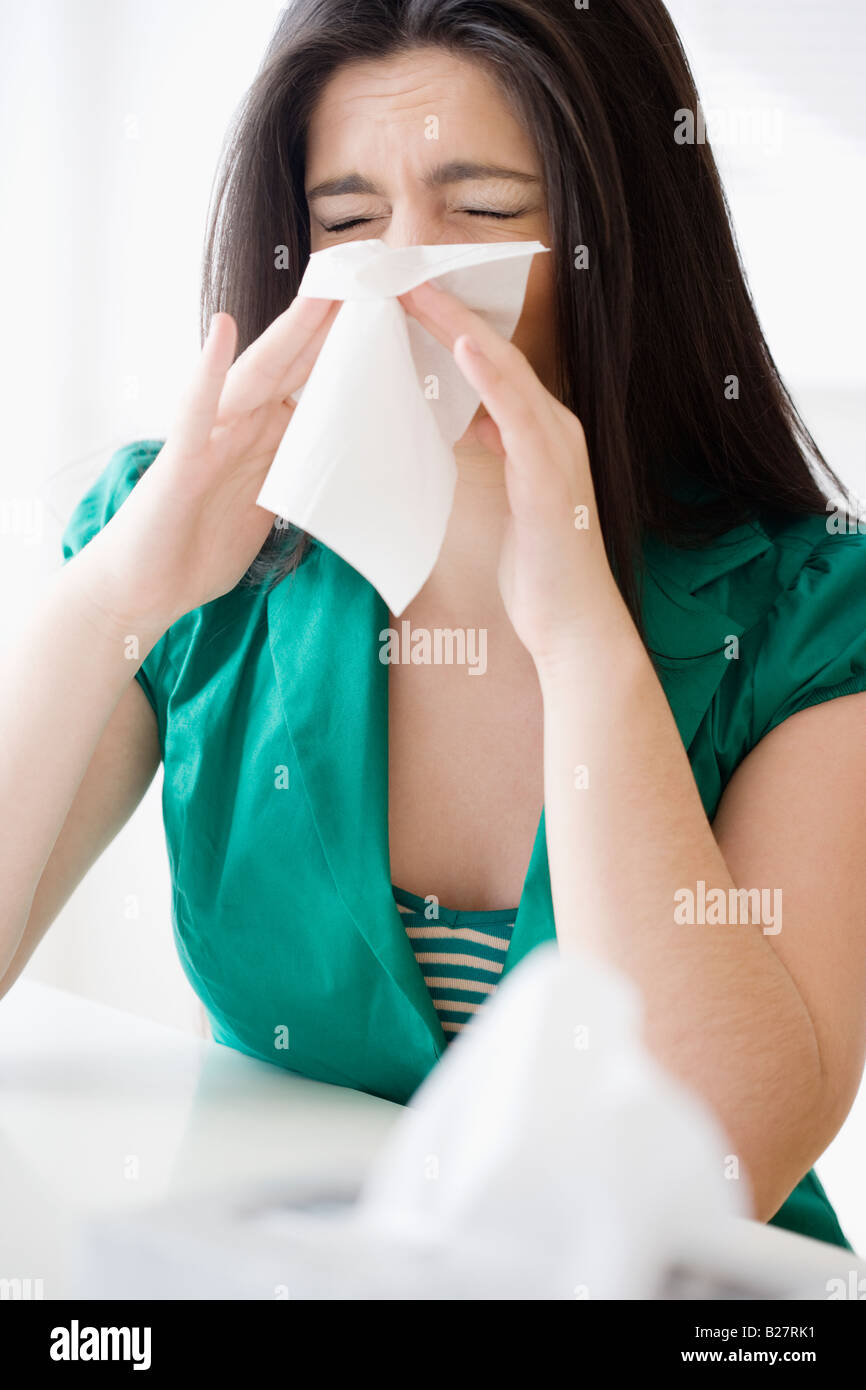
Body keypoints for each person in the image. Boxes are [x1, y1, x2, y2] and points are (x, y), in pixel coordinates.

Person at [3, 0, 866, 1251]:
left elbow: (722, 1153)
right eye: (349, 224)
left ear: (613, 244)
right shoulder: (198, 565)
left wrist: (581, 642)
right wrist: (117, 595)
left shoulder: (802, 612)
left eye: (479, 214)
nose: (403, 282)